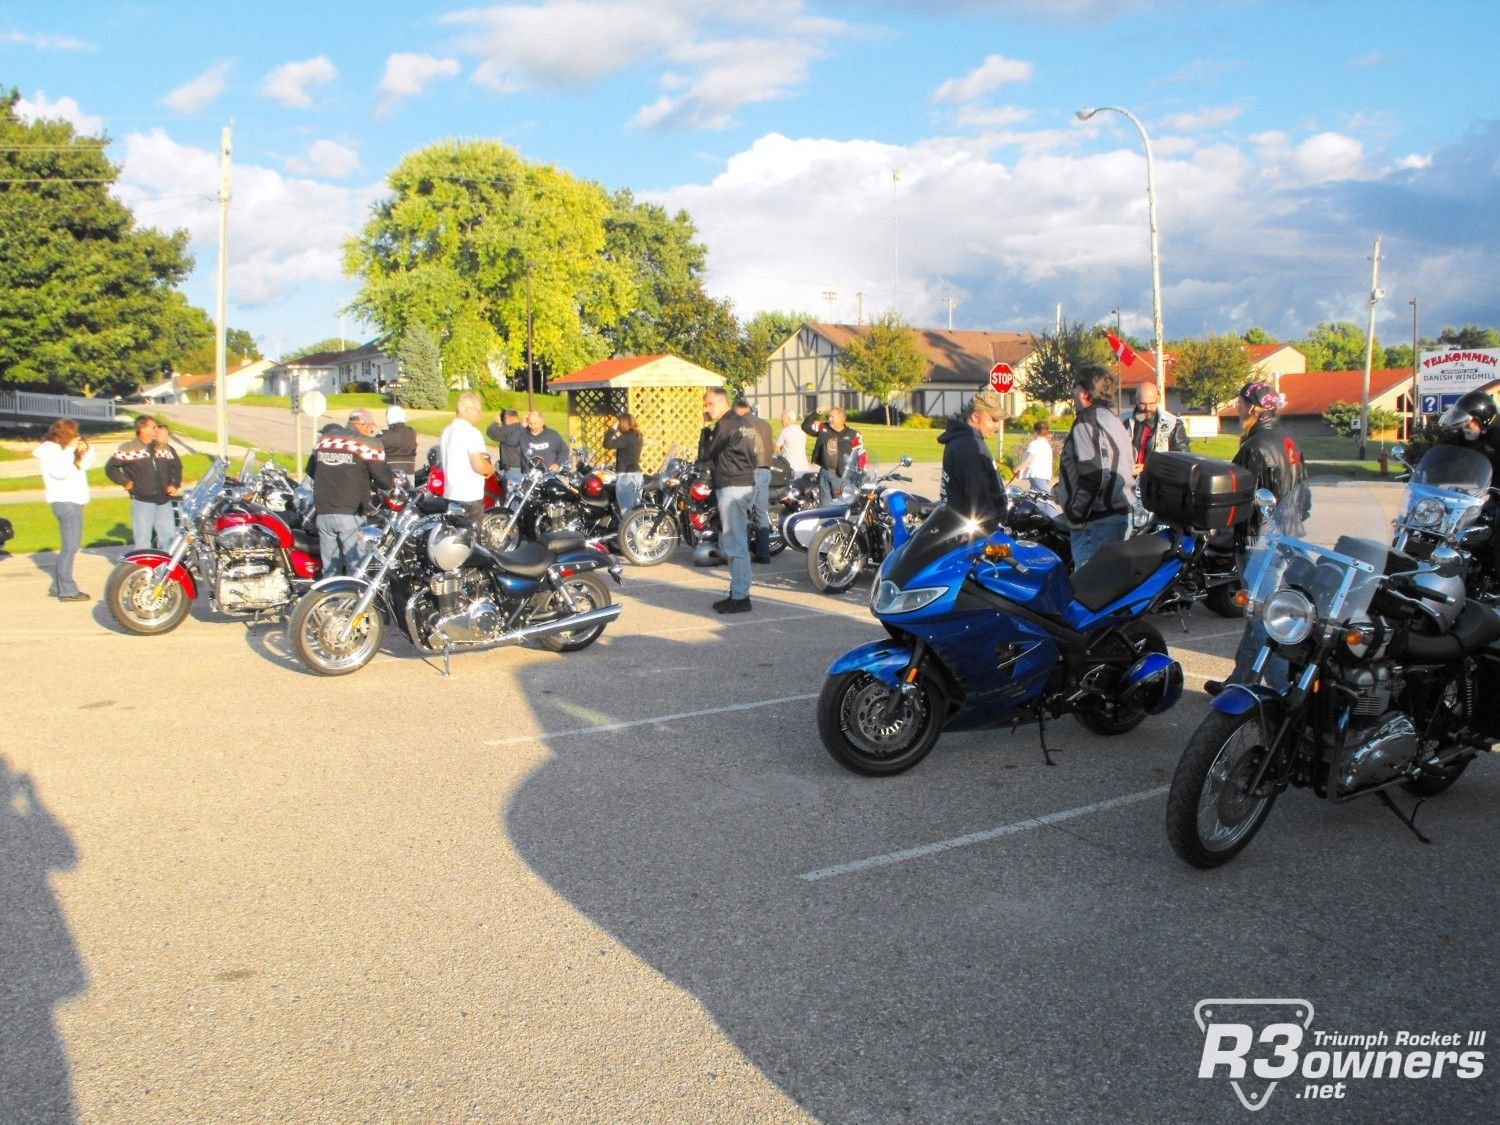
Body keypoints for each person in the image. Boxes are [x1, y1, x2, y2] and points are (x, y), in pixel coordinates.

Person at [1205, 380, 1308, 697]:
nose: (1237, 409)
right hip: (1288, 539)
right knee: (1260, 614)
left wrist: (1215, 530)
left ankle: (1282, 690)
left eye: (1240, 404)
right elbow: (1305, 500)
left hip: (1260, 543)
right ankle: (1241, 681)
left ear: (1252, 407)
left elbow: (1237, 499)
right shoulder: (1288, 441)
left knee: (1264, 617)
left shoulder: (1255, 448)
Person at [1059, 365, 1136, 568]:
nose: (1073, 391)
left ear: (1084, 393)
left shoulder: (1086, 422)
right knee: (1110, 581)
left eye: (1075, 386)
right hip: (1118, 514)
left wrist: (1076, 514)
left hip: (1096, 521)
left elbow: (1094, 475)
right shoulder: (1112, 419)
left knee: (1087, 583)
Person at [306, 407, 394, 575]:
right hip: (351, 513)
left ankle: (329, 592)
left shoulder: (324, 440)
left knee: (330, 569)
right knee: (356, 569)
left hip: (323, 511)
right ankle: (354, 593)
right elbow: (384, 480)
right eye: (372, 428)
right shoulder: (367, 444)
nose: (372, 431)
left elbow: (311, 471)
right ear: (364, 424)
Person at [701, 387, 758, 613]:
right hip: (743, 482)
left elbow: (707, 453)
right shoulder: (745, 423)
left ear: (722, 401)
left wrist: (705, 431)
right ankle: (738, 592)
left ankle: (741, 597)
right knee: (735, 541)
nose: (707, 409)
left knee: (735, 543)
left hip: (732, 485)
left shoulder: (726, 424)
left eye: (710, 404)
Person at [33, 419, 95, 601]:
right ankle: (67, 590)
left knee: (70, 546)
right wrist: (70, 451)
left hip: (75, 500)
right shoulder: (51, 451)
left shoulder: (65, 451)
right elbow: (60, 472)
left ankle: (57, 586)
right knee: (70, 547)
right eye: (74, 432)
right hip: (65, 502)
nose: (77, 435)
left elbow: (84, 465)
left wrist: (84, 451)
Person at [105, 414, 181, 550]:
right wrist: (125, 482)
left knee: (168, 539)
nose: (157, 430)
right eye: (153, 427)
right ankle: (142, 563)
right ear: (142, 429)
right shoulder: (128, 448)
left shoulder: (163, 448)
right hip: (142, 500)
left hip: (164, 500)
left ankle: (165, 563)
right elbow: (111, 468)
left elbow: (175, 467)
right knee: (143, 539)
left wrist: (174, 483)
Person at [938, 389, 1009, 528]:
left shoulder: (965, 440)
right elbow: (977, 496)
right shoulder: (967, 446)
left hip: (963, 525)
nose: (996, 426)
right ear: (976, 417)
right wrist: (991, 530)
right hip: (972, 530)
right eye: (992, 420)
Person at [438, 392, 496, 525]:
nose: (480, 414)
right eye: (478, 410)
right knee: (470, 534)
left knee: (453, 533)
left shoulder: (447, 431)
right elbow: (479, 465)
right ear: (465, 409)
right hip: (469, 497)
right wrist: (491, 469)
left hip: (450, 494)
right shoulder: (471, 432)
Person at [736, 398, 775, 563]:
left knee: (743, 512)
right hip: (765, 469)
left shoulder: (742, 424)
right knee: (761, 512)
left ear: (740, 409)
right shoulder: (765, 424)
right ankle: (764, 554)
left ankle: (742, 555)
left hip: (749, 470)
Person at [802, 406, 866, 503]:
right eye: (829, 416)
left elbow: (861, 455)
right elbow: (806, 426)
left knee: (841, 502)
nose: (829, 419)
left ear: (841, 419)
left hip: (841, 476)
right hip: (825, 472)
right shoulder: (823, 427)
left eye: (832, 417)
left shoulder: (853, 435)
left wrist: (862, 474)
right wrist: (816, 413)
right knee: (825, 504)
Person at [1129, 382, 1191, 474]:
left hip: (1157, 479)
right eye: (1142, 403)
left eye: (1151, 403)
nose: (1147, 408)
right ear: (1135, 400)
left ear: (1158, 399)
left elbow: (1182, 460)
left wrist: (1148, 467)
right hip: (1127, 478)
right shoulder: (1123, 421)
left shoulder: (1173, 424)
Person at [602, 413, 644, 514]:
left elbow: (606, 443)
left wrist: (613, 428)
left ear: (622, 423)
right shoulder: (638, 436)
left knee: (627, 513)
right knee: (636, 513)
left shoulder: (626, 438)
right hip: (637, 476)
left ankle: (628, 526)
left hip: (626, 477)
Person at [152, 423, 184, 546]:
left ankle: (165, 546)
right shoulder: (148, 450)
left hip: (164, 494)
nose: (165, 439)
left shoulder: (170, 450)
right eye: (162, 436)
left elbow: (177, 468)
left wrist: (174, 484)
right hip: (149, 493)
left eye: (167, 436)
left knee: (166, 523)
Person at [485, 408, 527, 489]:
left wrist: (495, 422)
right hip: (525, 466)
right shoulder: (525, 428)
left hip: (512, 468)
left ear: (507, 417)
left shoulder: (508, 429)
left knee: (511, 493)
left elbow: (491, 432)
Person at [1015, 420, 1055, 494]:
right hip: (1044, 475)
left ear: (1035, 431)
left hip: (1037, 475)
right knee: (1035, 496)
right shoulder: (1046, 444)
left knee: (1042, 497)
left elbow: (1029, 460)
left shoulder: (1035, 444)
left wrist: (1019, 468)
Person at [380, 405, 418, 477]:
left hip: (391, 473)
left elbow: (375, 442)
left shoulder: (384, 435)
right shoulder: (412, 432)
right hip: (409, 472)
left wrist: (383, 431)